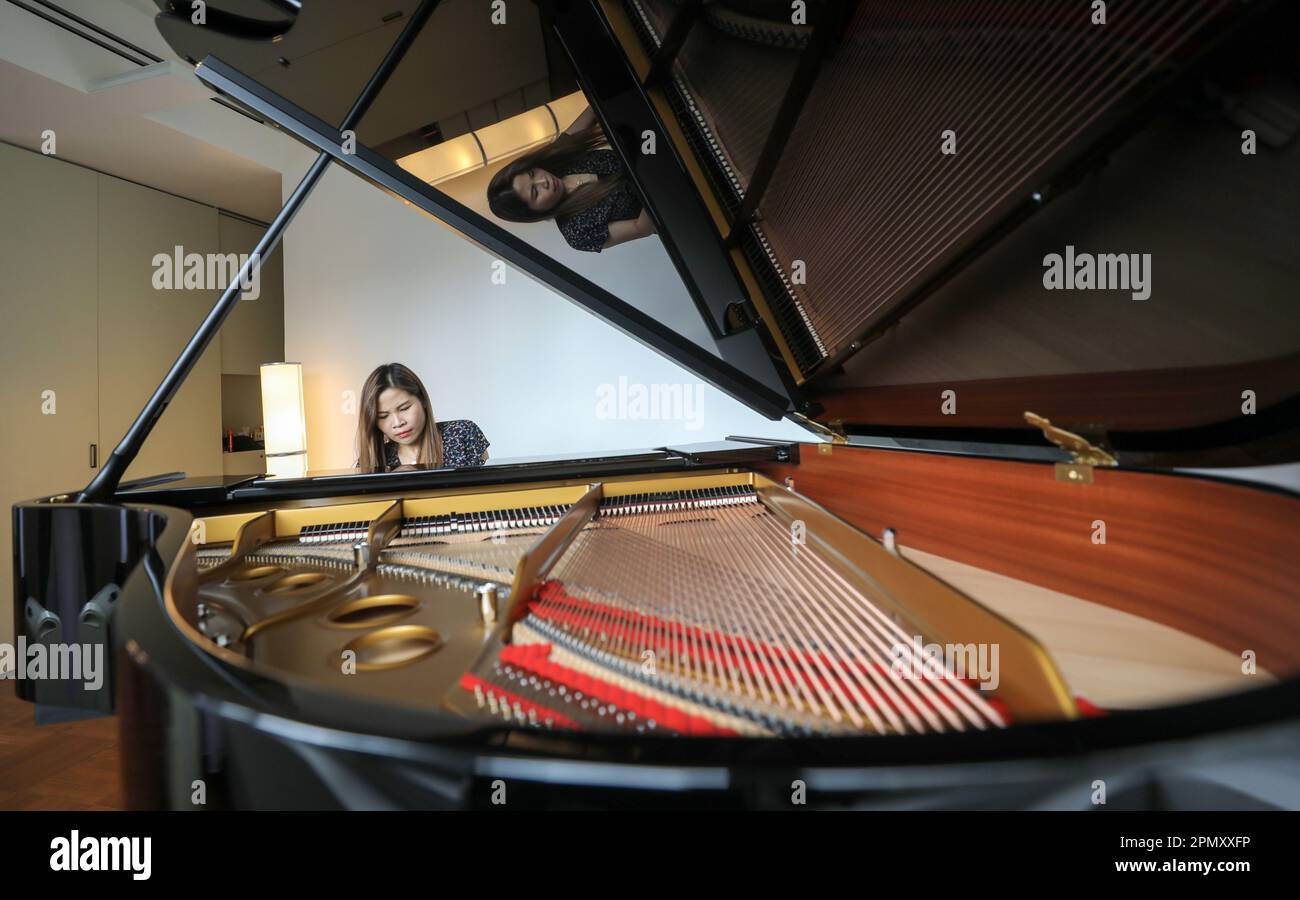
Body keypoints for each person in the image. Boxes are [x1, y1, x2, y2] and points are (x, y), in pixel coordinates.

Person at [486, 105, 657, 252]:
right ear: (533, 212)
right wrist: (656, 178)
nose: (542, 181)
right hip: (666, 197)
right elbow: (641, 228)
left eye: (532, 174)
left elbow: (593, 110)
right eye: (535, 192)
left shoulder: (558, 155)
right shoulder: (576, 233)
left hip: (657, 151)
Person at [353, 363, 489, 471]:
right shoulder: (370, 462)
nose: (398, 423)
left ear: (422, 400)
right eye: (383, 416)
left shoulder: (462, 433)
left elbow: (490, 496)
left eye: (404, 408)